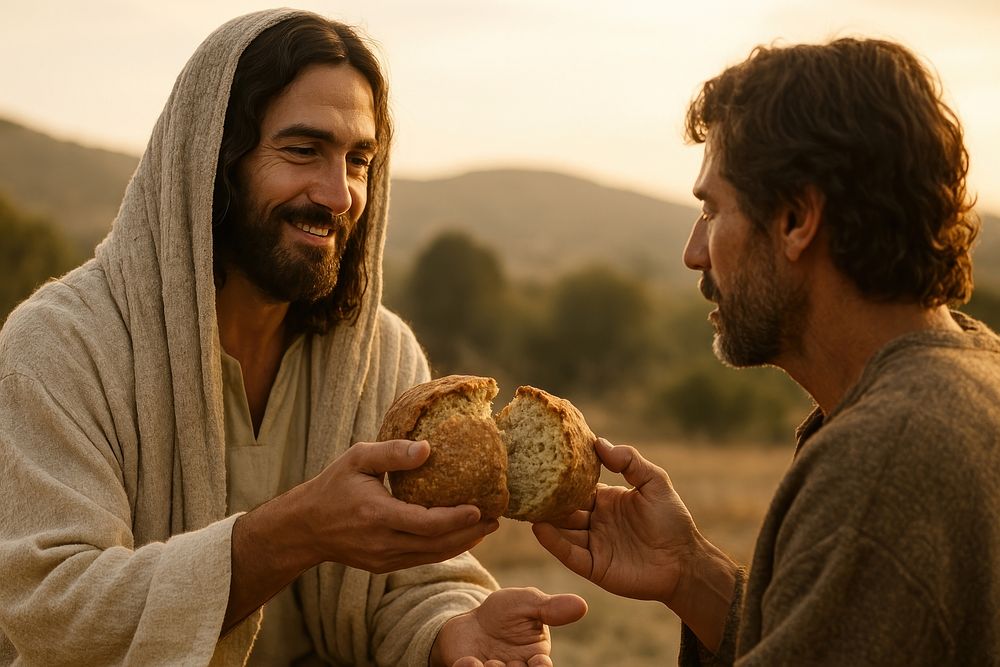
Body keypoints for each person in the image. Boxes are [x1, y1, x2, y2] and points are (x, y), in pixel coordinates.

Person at [0, 9, 586, 666]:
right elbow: (54, 604)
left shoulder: (383, 356)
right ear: (212, 161)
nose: (339, 195)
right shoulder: (58, 345)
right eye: (304, 151)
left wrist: (455, 629)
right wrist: (293, 532)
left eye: (359, 160)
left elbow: (414, 580)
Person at [533, 37, 1000, 664]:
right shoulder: (968, 375)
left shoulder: (887, 455)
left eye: (713, 209)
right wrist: (690, 572)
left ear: (796, 219)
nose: (693, 252)